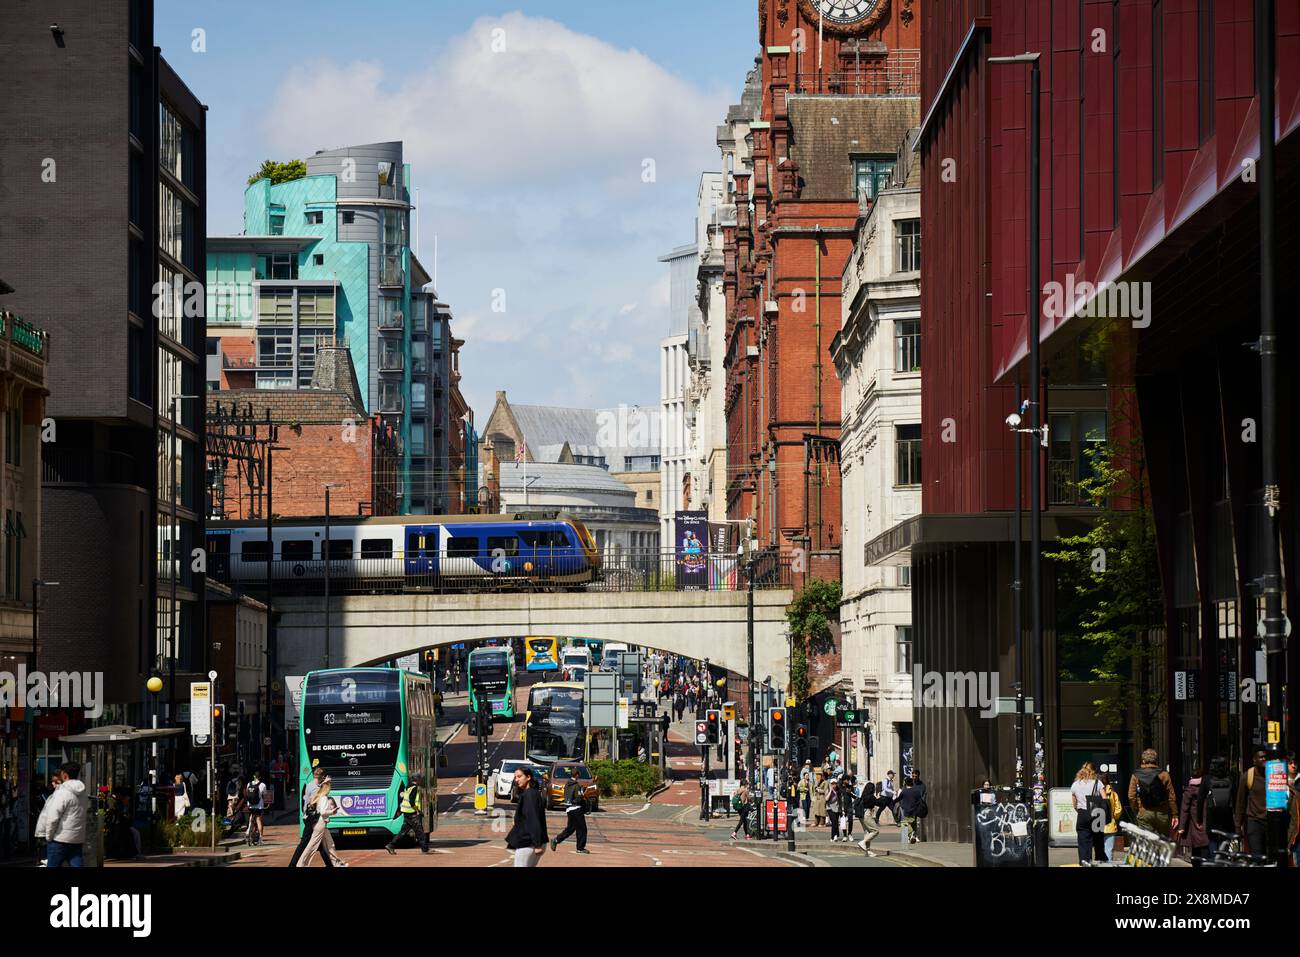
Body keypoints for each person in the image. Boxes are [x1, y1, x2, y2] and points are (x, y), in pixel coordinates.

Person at [34, 763, 87, 868]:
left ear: (64, 775)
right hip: (76, 840)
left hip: (59, 839)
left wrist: (49, 837)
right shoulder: (83, 793)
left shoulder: (62, 792)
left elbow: (53, 818)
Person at [288, 768, 334, 868]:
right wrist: (325, 784)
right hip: (312, 819)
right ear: (322, 777)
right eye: (323, 777)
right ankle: (292, 864)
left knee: (321, 844)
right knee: (304, 843)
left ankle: (329, 864)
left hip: (310, 817)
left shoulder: (310, 785)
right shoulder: (314, 788)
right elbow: (319, 796)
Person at [296, 778, 347, 867]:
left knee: (330, 844)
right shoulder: (323, 798)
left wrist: (325, 781)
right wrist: (332, 811)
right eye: (329, 788)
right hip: (320, 824)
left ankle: (336, 863)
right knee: (312, 846)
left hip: (321, 823)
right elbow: (323, 812)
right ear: (327, 789)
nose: (330, 790)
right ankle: (301, 864)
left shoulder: (319, 796)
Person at [1128, 748, 1178, 838]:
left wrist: (1137, 809)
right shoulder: (1164, 774)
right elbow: (1171, 796)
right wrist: (1175, 814)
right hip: (1162, 812)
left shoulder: (1136, 775)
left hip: (1144, 811)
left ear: (1143, 760)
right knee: (1163, 841)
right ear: (1155, 760)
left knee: (1147, 842)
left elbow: (1131, 796)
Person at [506, 766, 548, 867]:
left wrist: (537, 844)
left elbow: (533, 819)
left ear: (528, 777)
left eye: (519, 776)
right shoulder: (532, 793)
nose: (516, 780)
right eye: (515, 777)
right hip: (532, 842)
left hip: (529, 843)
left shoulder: (529, 795)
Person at [1235, 748, 1272, 858]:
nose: (1264, 759)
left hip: (1271, 822)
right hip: (1254, 822)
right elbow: (1240, 802)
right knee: (1257, 857)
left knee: (1271, 857)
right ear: (1254, 760)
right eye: (1261, 757)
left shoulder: (1273, 775)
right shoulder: (1248, 776)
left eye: (1265, 757)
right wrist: (1238, 826)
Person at [1070, 761, 1106, 865]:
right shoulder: (1097, 783)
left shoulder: (1075, 784)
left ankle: (1084, 861)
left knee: (1083, 840)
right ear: (1093, 771)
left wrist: (1080, 810)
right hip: (1096, 813)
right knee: (1098, 838)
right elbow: (1104, 798)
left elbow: (1074, 803)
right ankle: (1100, 861)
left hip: (1082, 814)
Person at [387, 774, 430, 854]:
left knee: (403, 832)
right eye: (420, 779)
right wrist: (417, 810)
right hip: (412, 813)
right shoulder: (415, 788)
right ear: (417, 780)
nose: (420, 781)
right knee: (419, 831)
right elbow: (411, 801)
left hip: (406, 812)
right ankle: (425, 849)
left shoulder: (408, 786)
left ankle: (391, 845)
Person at [1175, 766, 1210, 861]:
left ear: (1191, 778)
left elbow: (1184, 809)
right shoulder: (1207, 789)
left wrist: (1181, 827)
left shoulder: (1189, 791)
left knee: (1195, 848)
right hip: (1205, 821)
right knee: (1205, 846)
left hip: (1193, 823)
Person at [550, 771, 590, 854]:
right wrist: (583, 794)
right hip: (576, 808)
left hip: (569, 809)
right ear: (577, 775)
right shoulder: (576, 785)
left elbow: (567, 796)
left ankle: (556, 840)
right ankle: (580, 848)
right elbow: (578, 798)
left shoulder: (567, 784)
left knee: (570, 828)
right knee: (582, 829)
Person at [1099, 772, 1124, 861]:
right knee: (1108, 850)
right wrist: (1113, 817)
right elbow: (1118, 810)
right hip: (1110, 825)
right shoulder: (1113, 794)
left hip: (1097, 826)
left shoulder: (1094, 792)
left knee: (1099, 851)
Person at [898, 774, 925, 845]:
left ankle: (907, 838)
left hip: (906, 808)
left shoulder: (904, 790)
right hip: (909, 808)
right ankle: (909, 838)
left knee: (905, 822)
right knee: (911, 823)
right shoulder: (905, 790)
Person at [245, 771, 268, 846]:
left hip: (250, 805)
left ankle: (248, 830)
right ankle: (260, 838)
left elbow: (247, 793)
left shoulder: (249, 784)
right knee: (258, 820)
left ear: (254, 776)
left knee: (251, 816)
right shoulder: (262, 785)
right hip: (258, 805)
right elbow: (264, 794)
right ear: (260, 777)